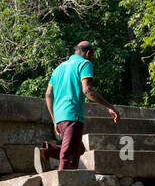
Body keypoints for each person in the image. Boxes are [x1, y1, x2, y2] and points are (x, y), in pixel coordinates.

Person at [44, 41, 120, 170]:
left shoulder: (59, 68)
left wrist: (54, 119)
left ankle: (47, 151)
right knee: (68, 155)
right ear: (88, 53)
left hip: (60, 116)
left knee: (78, 148)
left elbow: (48, 94)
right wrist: (109, 106)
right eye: (92, 56)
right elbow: (87, 90)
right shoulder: (84, 64)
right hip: (73, 115)